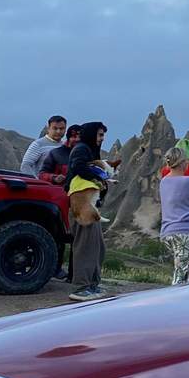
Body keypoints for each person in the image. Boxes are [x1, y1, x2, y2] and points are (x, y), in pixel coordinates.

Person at [66, 121, 109, 301]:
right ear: (91, 134)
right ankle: (81, 287)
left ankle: (92, 284)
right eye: (100, 135)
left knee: (97, 246)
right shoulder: (81, 149)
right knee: (85, 246)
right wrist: (99, 176)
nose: (102, 138)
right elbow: (78, 167)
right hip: (82, 205)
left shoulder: (89, 151)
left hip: (90, 206)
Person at [160, 146, 189, 285]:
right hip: (185, 233)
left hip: (168, 231)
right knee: (184, 274)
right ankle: (175, 297)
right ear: (182, 162)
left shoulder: (164, 182)